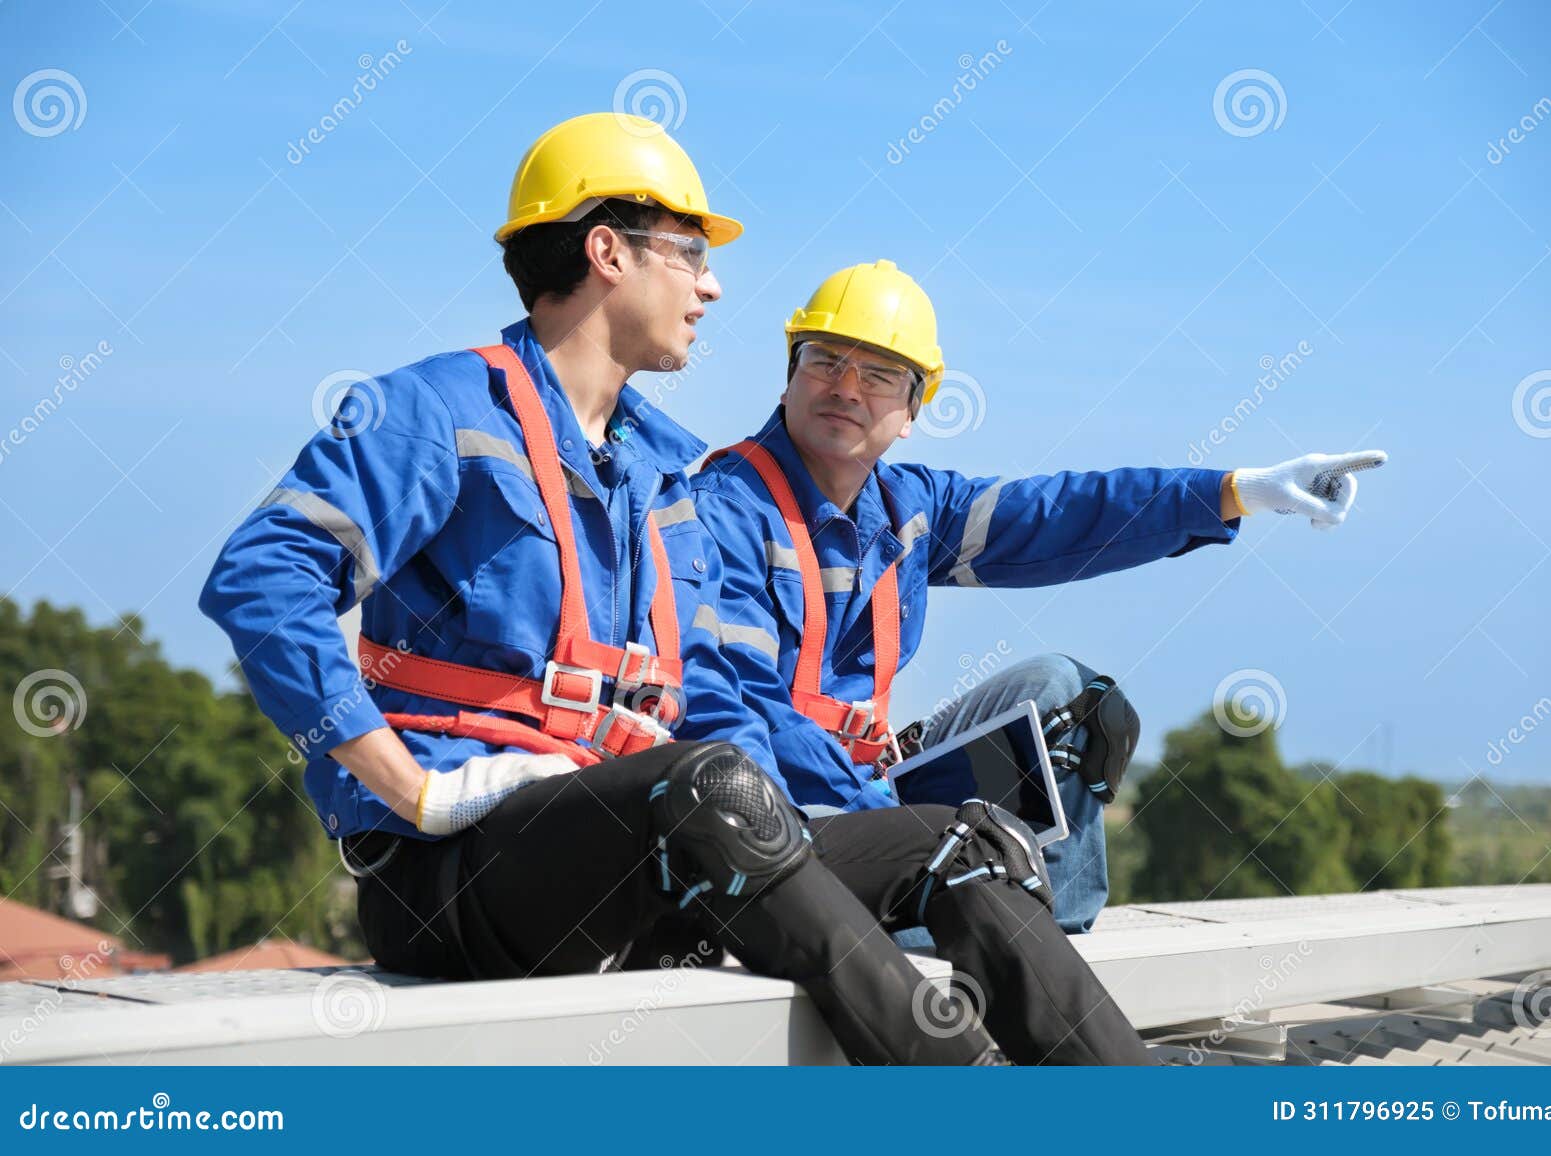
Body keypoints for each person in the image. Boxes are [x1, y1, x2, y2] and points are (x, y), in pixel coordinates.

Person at [199, 115, 1153, 1065]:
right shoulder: (435, 411)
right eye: (690, 253)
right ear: (608, 252)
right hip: (454, 876)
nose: (711, 284)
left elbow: (714, 696)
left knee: (969, 842)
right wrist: (409, 789)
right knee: (710, 789)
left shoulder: (662, 479)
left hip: (654, 844)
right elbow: (263, 578)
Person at [692, 259, 1383, 938]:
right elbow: (742, 705)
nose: (846, 387)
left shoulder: (910, 510)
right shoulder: (722, 509)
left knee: (1072, 695)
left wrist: (1239, 491)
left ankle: (1047, 931)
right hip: (777, 807)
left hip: (874, 793)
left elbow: (1064, 513)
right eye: (824, 361)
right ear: (788, 379)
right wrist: (877, 811)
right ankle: (956, 930)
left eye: (878, 376)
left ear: (911, 411)